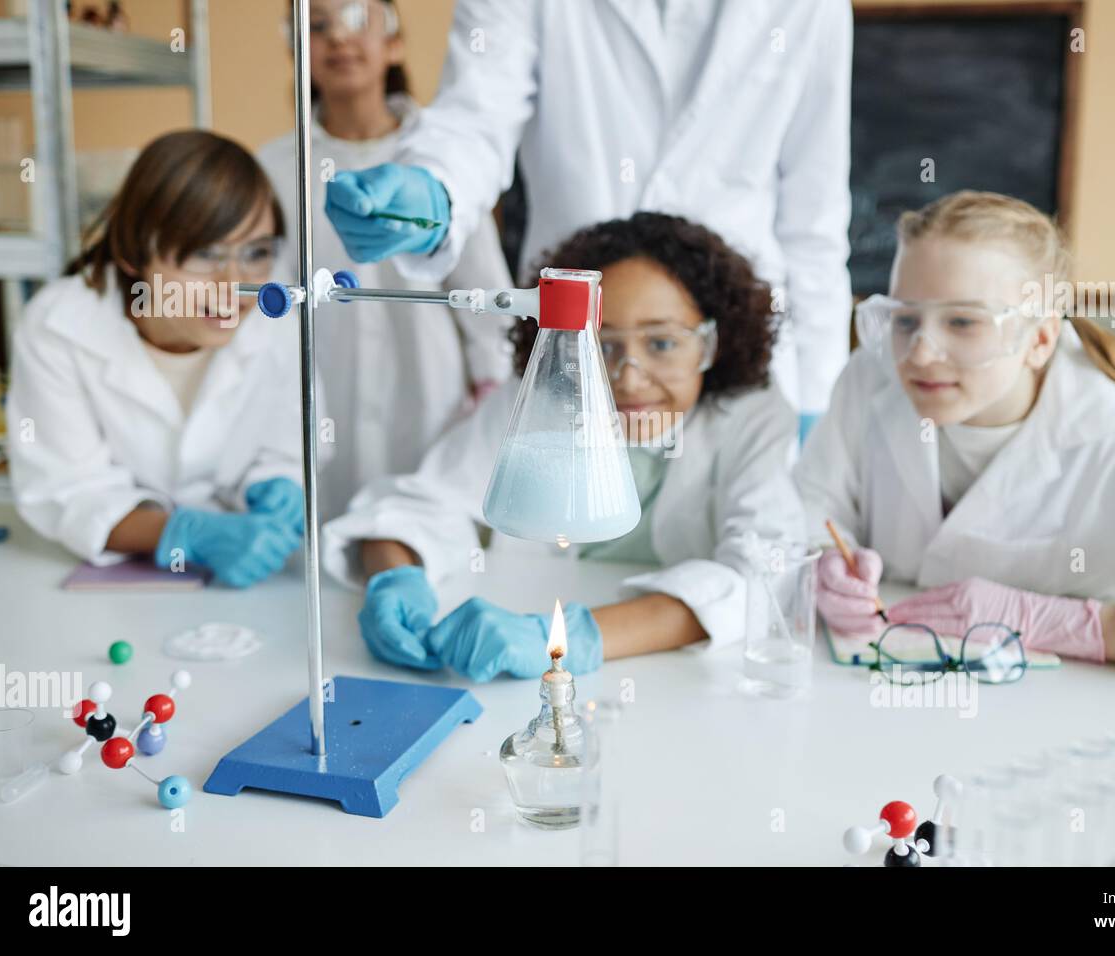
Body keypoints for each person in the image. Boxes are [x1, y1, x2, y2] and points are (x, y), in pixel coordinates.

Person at [795, 191, 1115, 686]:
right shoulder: (873, 374)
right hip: (871, 692)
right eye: (905, 319)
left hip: (1056, 711)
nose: (919, 354)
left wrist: (1064, 623)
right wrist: (823, 562)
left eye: (963, 321)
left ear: (1040, 339)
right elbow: (808, 506)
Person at [322, 0, 853, 440]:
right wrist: (435, 190)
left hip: (737, 358)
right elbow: (476, 117)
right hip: (573, 348)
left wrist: (817, 398)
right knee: (561, 546)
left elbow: (815, 217)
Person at [322, 212, 803, 680]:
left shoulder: (750, 416)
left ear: (712, 344)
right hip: (521, 680)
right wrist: (394, 576)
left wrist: (572, 638)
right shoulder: (535, 399)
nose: (630, 378)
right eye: (602, 344)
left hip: (672, 678)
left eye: (662, 344)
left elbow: (764, 571)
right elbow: (420, 503)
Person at [7, 130, 314, 587]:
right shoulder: (58, 326)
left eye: (256, 253)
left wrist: (281, 484)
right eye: (204, 254)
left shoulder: (276, 317)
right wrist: (180, 532)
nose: (234, 285)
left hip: (257, 585)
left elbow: (289, 449)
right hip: (106, 589)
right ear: (135, 252)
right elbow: (67, 490)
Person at [259, 0, 514, 520]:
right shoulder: (273, 167)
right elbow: (270, 310)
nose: (338, 39)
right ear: (294, 48)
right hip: (322, 393)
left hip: (433, 394)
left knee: (423, 524)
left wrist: (491, 398)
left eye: (358, 20)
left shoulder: (443, 164)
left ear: (394, 42)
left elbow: (486, 300)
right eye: (317, 26)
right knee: (328, 543)